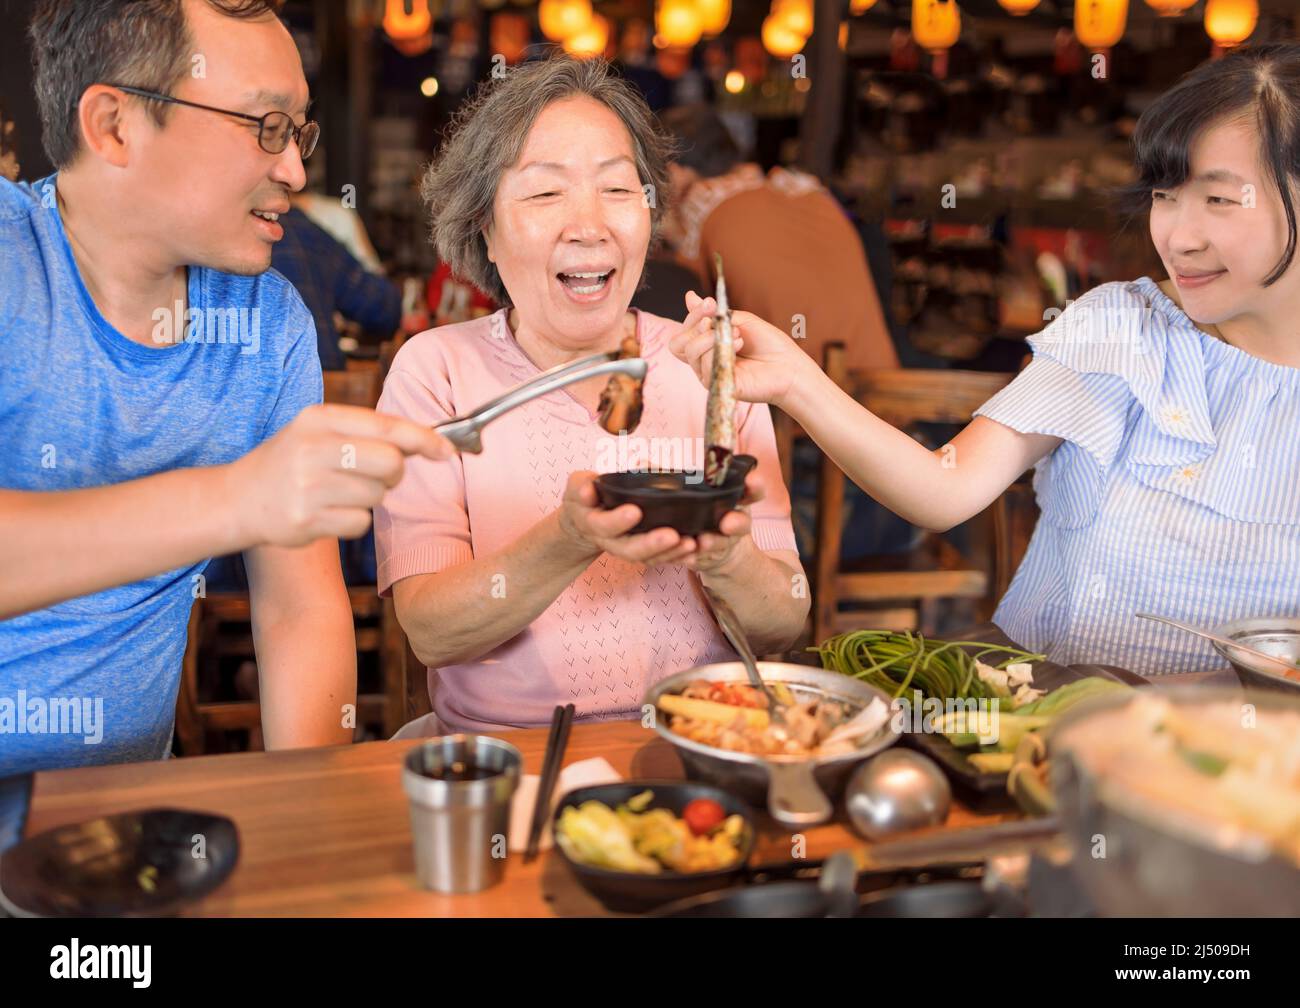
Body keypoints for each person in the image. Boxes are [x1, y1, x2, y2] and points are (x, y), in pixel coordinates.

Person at [672, 43, 1300, 677]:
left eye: (1219, 201)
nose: (1178, 237)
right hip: (1042, 741)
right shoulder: (1124, 329)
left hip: (1243, 761)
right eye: (1165, 196)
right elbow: (944, 489)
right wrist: (796, 381)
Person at [0, 0, 452, 776]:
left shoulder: (264, 322)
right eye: (264, 128)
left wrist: (303, 815)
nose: (296, 171)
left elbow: (298, 607)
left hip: (115, 834)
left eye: (298, 131)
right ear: (114, 125)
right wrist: (239, 497)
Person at [375, 56, 808, 732]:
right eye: (546, 194)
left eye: (616, 189)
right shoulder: (437, 372)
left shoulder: (710, 368)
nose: (588, 225)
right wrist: (569, 538)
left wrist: (726, 554)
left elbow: (784, 619)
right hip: (508, 755)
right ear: (483, 227)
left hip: (696, 742)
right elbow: (432, 632)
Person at [659, 103, 898, 373]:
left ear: (675, 171)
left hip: (798, 394)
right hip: (880, 379)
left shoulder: (700, 208)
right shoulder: (799, 187)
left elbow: (686, 308)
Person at [270, 203, 401, 371]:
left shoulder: (235, 234)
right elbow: (384, 307)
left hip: (285, 384)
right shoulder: (299, 229)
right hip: (320, 381)